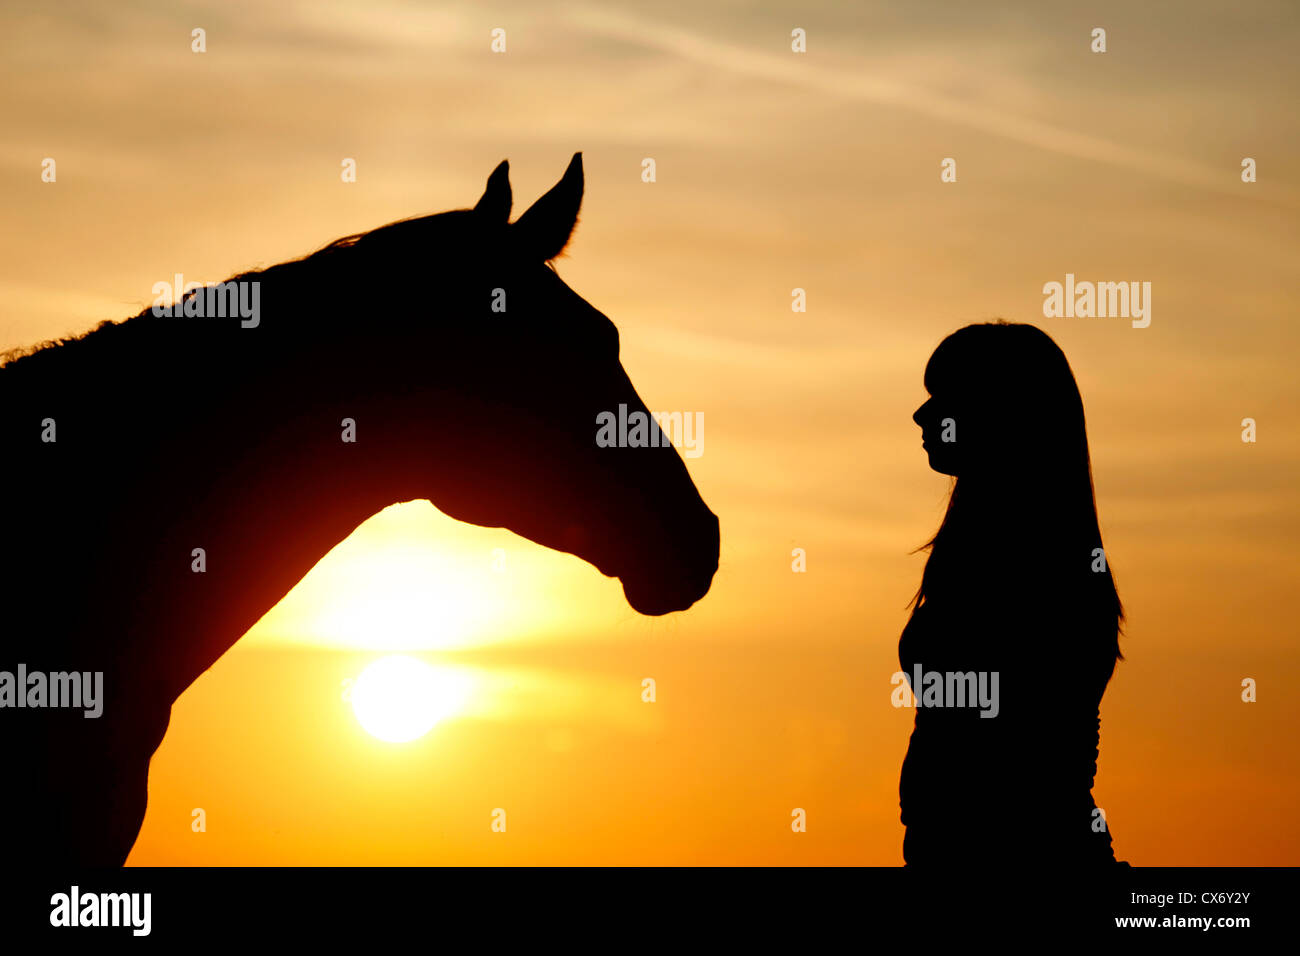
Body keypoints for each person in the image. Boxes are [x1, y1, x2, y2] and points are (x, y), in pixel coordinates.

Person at [899, 321, 1126, 867]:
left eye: (945, 399)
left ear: (1002, 414)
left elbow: (1008, 756)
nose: (921, 415)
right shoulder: (986, 556)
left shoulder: (1042, 565)